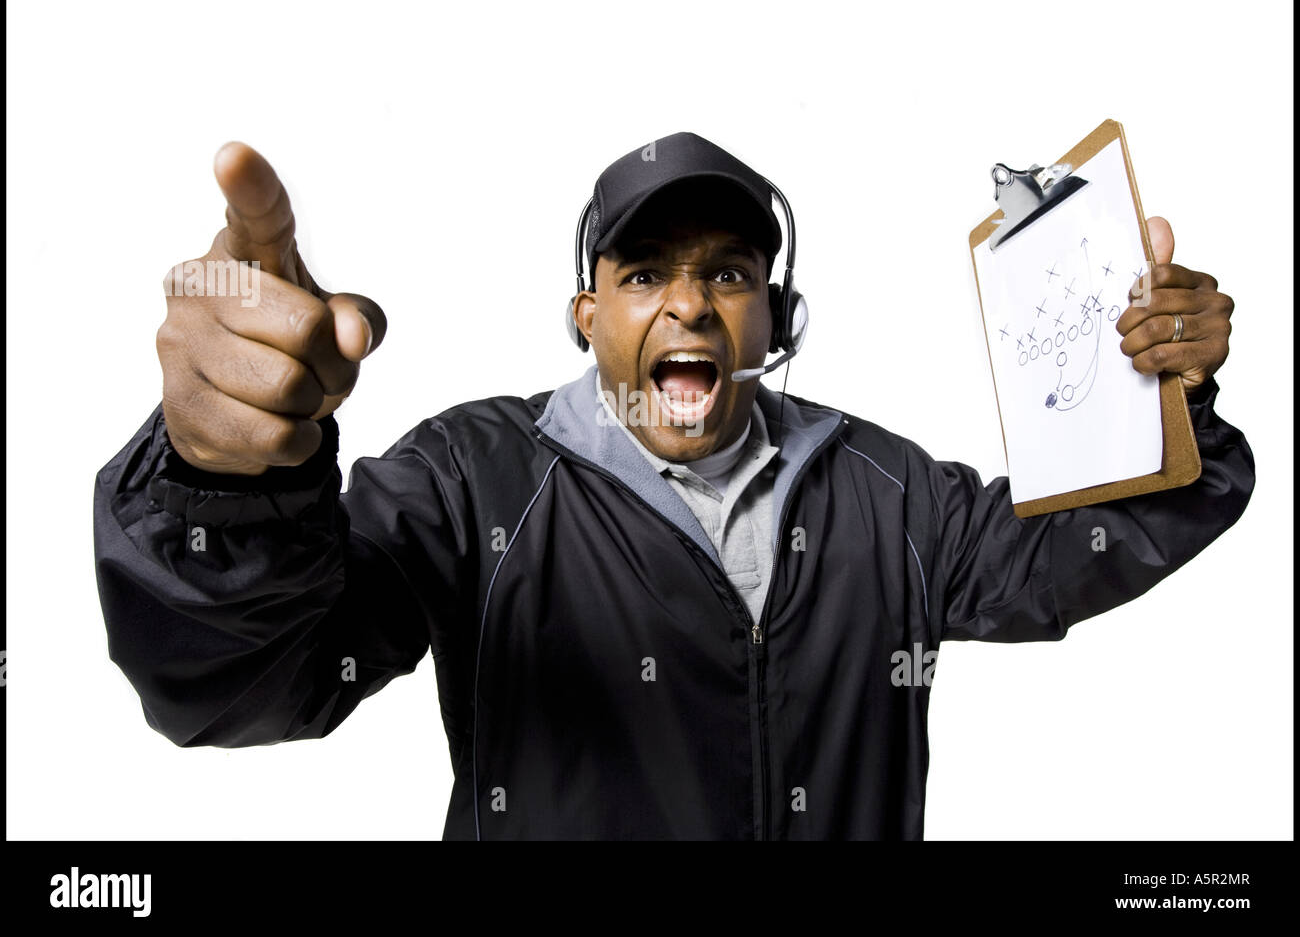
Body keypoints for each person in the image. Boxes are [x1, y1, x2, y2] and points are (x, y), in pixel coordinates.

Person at [93, 132, 1254, 840]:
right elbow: (243, 690)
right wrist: (224, 489)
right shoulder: (471, 479)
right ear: (587, 316)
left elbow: (1071, 556)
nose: (690, 306)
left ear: (776, 319)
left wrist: (1160, 398)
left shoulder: (887, 492)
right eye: (645, 273)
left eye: (730, 274)